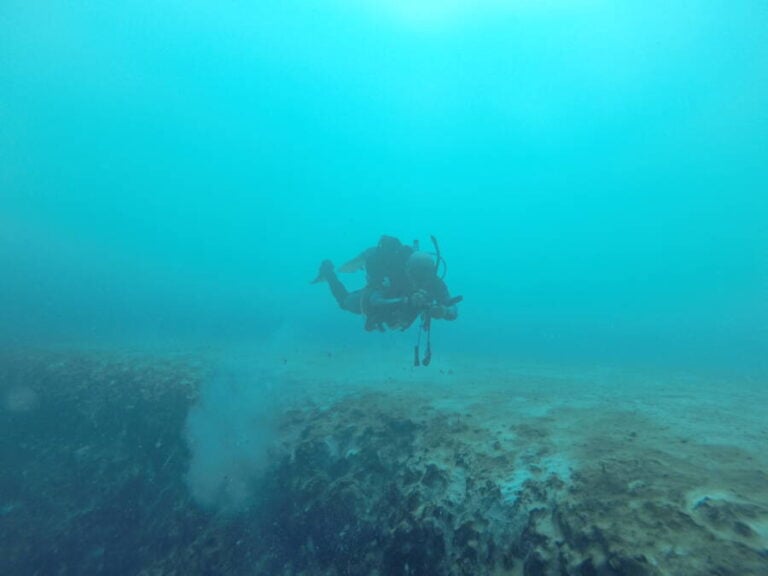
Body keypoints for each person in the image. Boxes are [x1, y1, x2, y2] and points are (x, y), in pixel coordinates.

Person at [312, 235, 460, 332]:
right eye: (417, 273)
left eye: (425, 273)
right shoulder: (395, 274)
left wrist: (443, 311)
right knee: (345, 303)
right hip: (380, 301)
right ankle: (328, 273)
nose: (421, 279)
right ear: (407, 269)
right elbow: (374, 300)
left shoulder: (434, 282)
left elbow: (452, 308)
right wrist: (406, 300)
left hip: (398, 312)